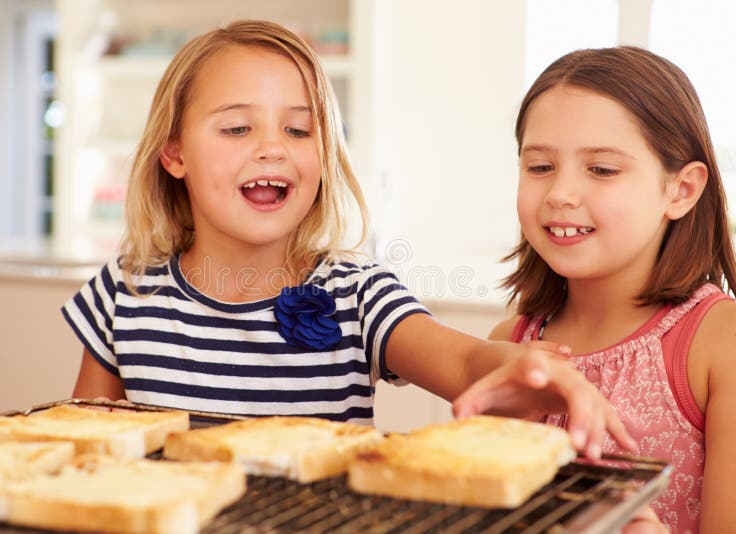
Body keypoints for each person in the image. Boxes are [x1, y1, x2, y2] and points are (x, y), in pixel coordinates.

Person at [62, 20, 633, 459]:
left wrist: (518, 368)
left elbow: (461, 361)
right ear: (175, 154)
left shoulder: (358, 293)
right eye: (238, 128)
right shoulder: (123, 293)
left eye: (298, 128)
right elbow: (81, 442)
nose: (273, 147)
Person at [491, 46, 736, 533]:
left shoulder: (719, 343)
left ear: (681, 190)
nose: (560, 193)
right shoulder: (508, 343)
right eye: (539, 167)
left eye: (602, 169)